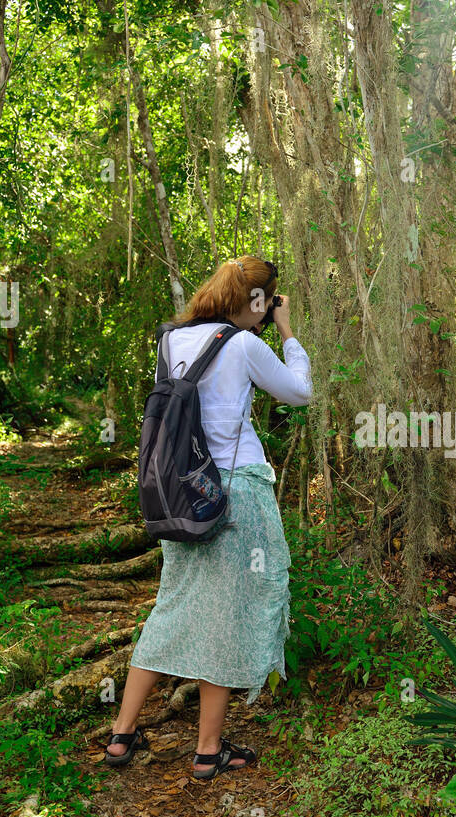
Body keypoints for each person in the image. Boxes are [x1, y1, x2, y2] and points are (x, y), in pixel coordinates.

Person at [104, 255, 312, 779]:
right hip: (233, 494)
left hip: (180, 492)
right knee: (223, 617)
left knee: (170, 607)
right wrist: (286, 332)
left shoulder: (170, 340)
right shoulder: (243, 345)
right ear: (257, 302)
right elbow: (300, 392)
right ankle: (207, 751)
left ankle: (121, 737)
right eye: (266, 305)